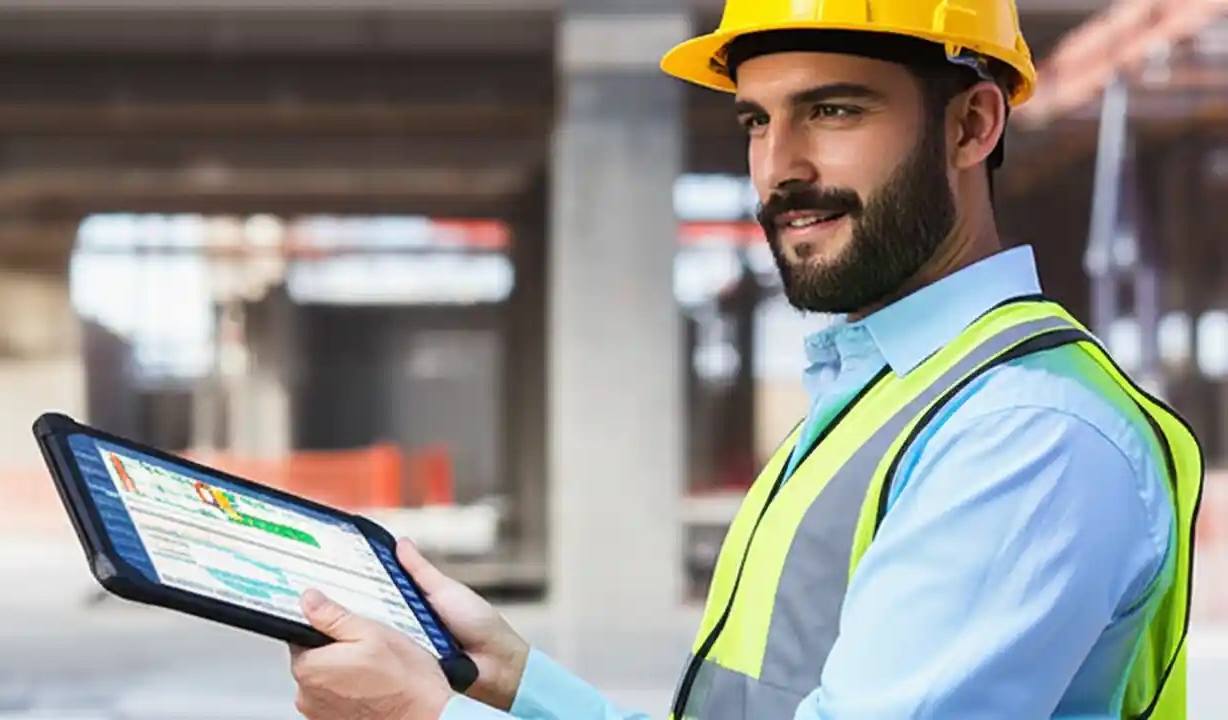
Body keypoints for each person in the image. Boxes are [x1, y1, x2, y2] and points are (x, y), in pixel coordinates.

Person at [288, 1, 1204, 718]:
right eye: (757, 122)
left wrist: (426, 716)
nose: (779, 167)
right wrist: (511, 679)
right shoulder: (887, 394)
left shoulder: (1025, 433)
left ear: (972, 125)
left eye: (833, 110)